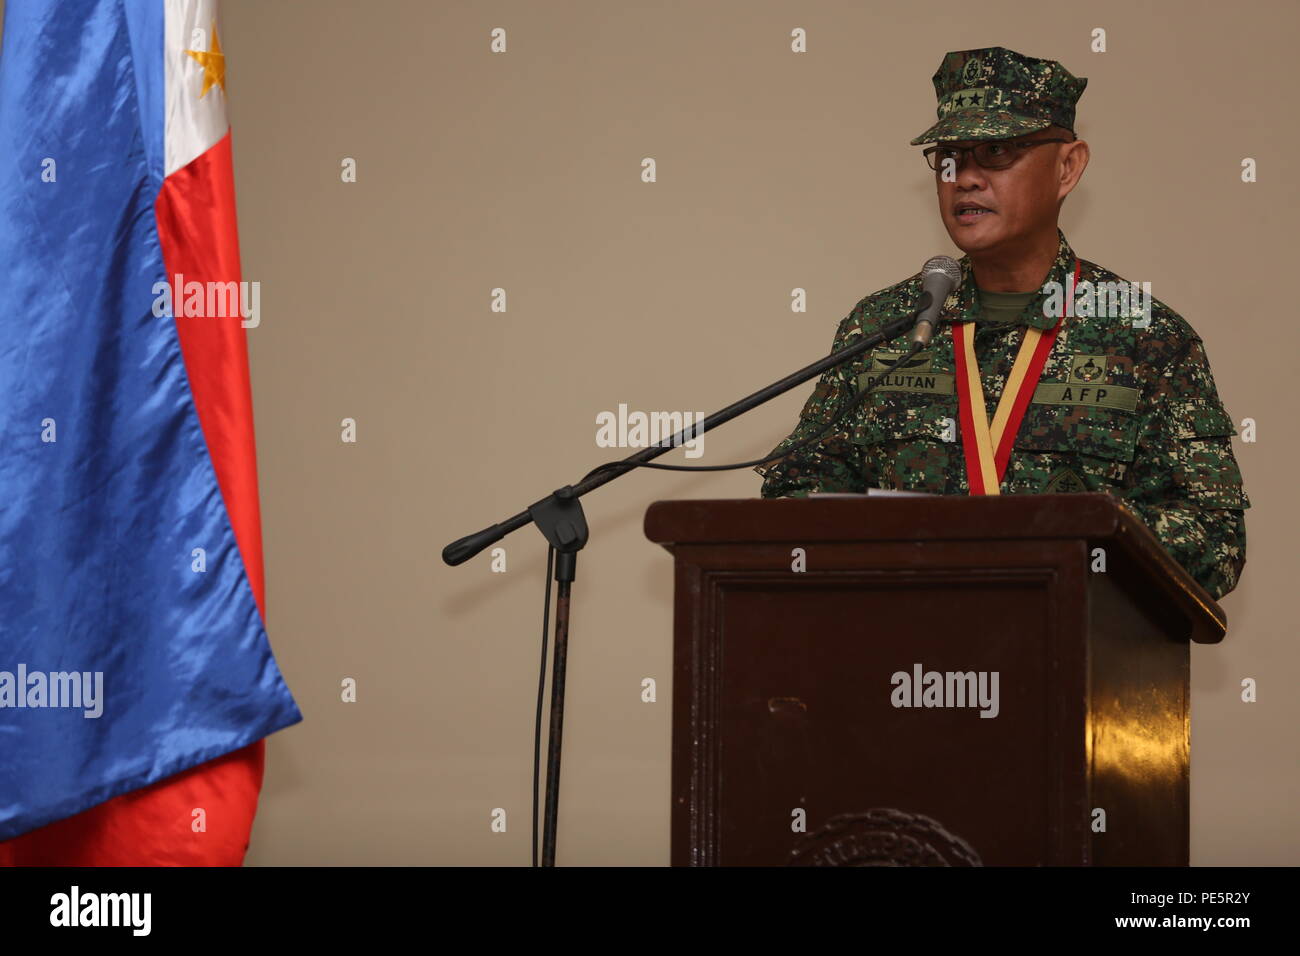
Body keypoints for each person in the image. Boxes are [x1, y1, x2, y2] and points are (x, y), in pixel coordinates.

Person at [755, 46, 1249, 600]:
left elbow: (1214, 541)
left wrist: (1062, 541)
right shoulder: (886, 326)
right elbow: (794, 493)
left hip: (1067, 660)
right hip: (900, 656)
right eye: (949, 157)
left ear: (1068, 167)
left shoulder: (1147, 337)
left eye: (994, 152)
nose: (964, 178)